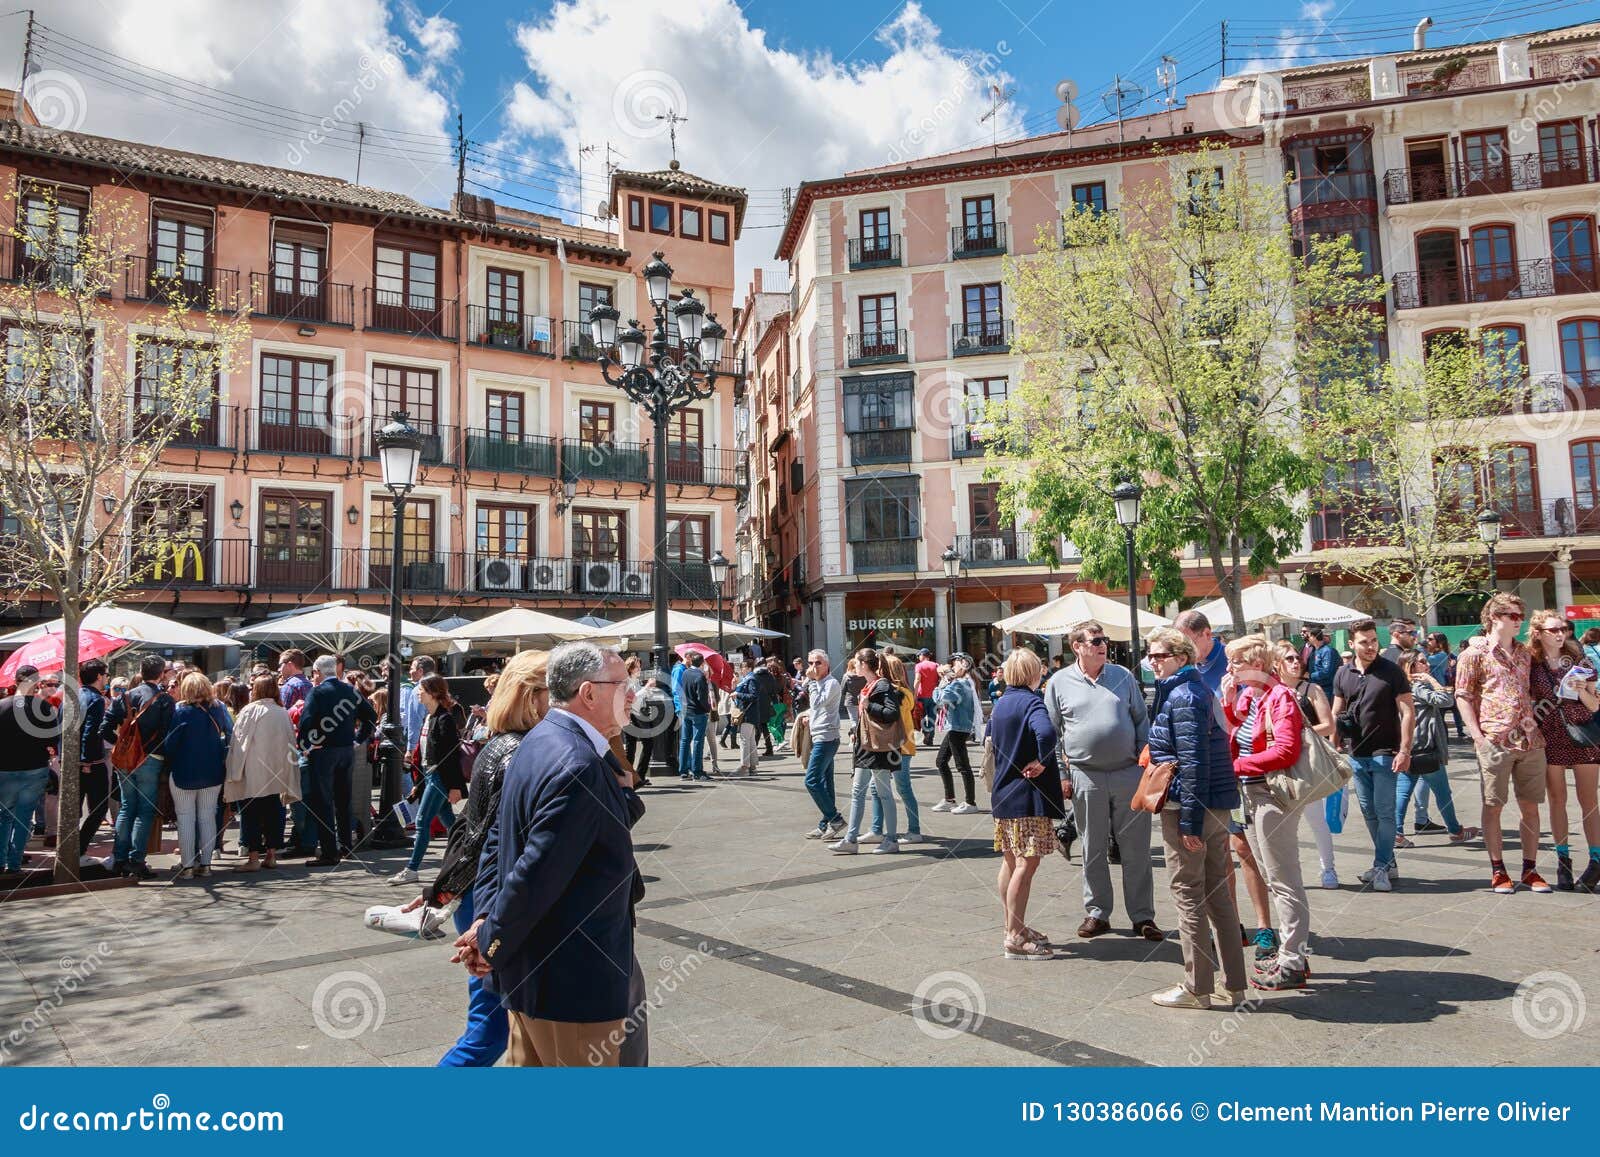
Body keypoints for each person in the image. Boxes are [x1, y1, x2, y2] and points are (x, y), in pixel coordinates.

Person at [453, 642, 642, 1067]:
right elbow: (535, 873)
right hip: (571, 982)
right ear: (589, 693)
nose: (633, 695)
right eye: (623, 685)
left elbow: (498, 844)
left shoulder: (538, 740)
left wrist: (485, 920)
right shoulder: (577, 763)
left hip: (533, 974)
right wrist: (490, 939)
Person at [396, 650, 550, 1067]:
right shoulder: (523, 753)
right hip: (493, 900)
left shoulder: (498, 746)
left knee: (502, 1026)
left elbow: (469, 828)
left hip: (480, 895)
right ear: (534, 697)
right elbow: (488, 836)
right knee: (489, 1032)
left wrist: (441, 888)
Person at [1144, 628, 1246, 1008]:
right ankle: (1234, 984)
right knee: (1218, 892)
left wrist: (1187, 822)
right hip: (1214, 802)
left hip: (1191, 805)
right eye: (1150, 656)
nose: (1152, 661)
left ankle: (1197, 987)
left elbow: (1193, 762)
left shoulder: (1184, 695)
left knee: (1188, 893)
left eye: (1159, 655)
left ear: (1182, 657)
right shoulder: (1194, 689)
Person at [1045, 621, 1160, 940]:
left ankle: (1142, 916)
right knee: (1092, 846)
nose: (1102, 645)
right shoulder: (1058, 682)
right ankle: (1097, 913)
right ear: (1077, 646)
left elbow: (1141, 721)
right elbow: (1052, 733)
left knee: (1136, 848)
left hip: (1128, 773)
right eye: (1095, 640)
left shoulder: (1123, 676)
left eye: (1104, 640)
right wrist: (1064, 774)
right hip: (1085, 774)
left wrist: (1143, 764)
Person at [1220, 636, 1311, 991]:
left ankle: (1292, 962)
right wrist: (1229, 703)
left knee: (1284, 881)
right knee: (1273, 878)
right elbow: (1238, 732)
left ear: (1256, 663)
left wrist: (1237, 766)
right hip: (1253, 794)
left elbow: (1286, 751)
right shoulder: (1251, 697)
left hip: (1274, 796)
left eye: (1235, 662)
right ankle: (1294, 954)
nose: (1229, 669)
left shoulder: (1280, 697)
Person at [1455, 594, 1549, 894]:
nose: (1518, 619)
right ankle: (1498, 870)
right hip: (1495, 739)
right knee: (1493, 805)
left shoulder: (1524, 653)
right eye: (1511, 614)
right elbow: (1463, 696)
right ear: (1494, 617)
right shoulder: (1475, 653)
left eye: (1520, 613)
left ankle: (1530, 869)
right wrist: (1478, 737)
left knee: (1530, 806)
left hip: (1530, 740)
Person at [987, 647, 1063, 960]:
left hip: (1003, 792)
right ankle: (1015, 936)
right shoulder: (1032, 701)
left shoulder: (1001, 703)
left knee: (1009, 861)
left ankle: (1012, 926)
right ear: (1035, 673)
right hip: (1027, 794)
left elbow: (990, 738)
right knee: (1026, 864)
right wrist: (1042, 761)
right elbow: (1047, 733)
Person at [1330, 618, 1415, 893]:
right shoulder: (1343, 673)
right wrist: (1333, 747)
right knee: (1368, 811)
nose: (1370, 646)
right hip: (1356, 752)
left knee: (1385, 811)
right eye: (1364, 642)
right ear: (1351, 644)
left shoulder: (1391, 671)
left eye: (1373, 641)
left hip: (1385, 752)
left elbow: (1408, 712)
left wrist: (1405, 749)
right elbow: (1336, 713)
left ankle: (1380, 866)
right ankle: (1388, 862)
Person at [1525, 610, 1600, 892]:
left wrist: (1581, 690)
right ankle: (1563, 861)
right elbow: (1529, 701)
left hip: (1583, 733)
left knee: (1588, 799)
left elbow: (1594, 706)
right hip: (1551, 736)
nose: (1560, 634)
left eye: (1564, 629)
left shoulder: (1581, 660)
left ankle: (1595, 860)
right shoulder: (1531, 663)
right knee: (1557, 799)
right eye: (1553, 630)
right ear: (1539, 633)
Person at [298, 654, 376, 866]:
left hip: (323, 752)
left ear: (318, 672)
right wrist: (358, 739)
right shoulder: (350, 690)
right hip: (346, 751)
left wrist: (306, 744)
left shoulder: (317, 692)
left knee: (323, 802)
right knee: (344, 800)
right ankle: (346, 846)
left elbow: (305, 722)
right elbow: (371, 716)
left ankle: (329, 852)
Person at [102, 654, 175, 880]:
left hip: (125, 760)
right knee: (144, 811)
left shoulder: (125, 697)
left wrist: (122, 746)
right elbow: (167, 734)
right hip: (151, 759)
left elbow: (104, 728)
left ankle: (119, 858)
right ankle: (136, 861)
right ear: (161, 673)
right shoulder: (164, 700)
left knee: (126, 807)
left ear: (141, 672)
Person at [1277, 641, 1341, 888]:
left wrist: (1297, 735)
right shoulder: (1271, 690)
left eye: (1297, 658)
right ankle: (1289, 873)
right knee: (1283, 825)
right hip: (1281, 764)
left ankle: (1329, 869)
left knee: (1316, 819)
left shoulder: (1311, 689)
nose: (1296, 662)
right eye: (1289, 659)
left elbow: (1328, 725)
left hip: (1307, 763)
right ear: (1277, 664)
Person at [390, 674, 464, 886]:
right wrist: (419, 784)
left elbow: (451, 757)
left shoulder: (444, 719)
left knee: (422, 822)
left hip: (438, 777)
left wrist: (454, 786)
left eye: (421, 689)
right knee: (450, 821)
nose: (418, 693)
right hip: (431, 775)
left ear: (433, 692)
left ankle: (412, 869)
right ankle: (466, 856)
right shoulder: (430, 718)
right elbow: (425, 756)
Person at [830, 648, 905, 854]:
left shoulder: (882, 686)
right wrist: (856, 731)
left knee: (884, 793)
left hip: (878, 748)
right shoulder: (871, 685)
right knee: (857, 791)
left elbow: (891, 713)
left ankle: (891, 839)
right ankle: (851, 839)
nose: (854, 666)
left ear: (864, 664)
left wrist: (869, 705)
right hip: (866, 746)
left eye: (856, 662)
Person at [1402, 651, 1479, 846]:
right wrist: (1431, 680)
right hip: (1426, 746)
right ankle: (1455, 831)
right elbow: (1446, 700)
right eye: (1421, 662)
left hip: (1411, 745)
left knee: (1403, 792)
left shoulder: (1404, 686)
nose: (1426, 664)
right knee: (1443, 792)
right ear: (1411, 667)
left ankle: (1396, 832)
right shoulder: (1418, 686)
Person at [224, 674, 299, 871]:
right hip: (276, 772)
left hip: (254, 773)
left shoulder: (249, 711)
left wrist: (234, 772)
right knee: (275, 813)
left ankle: (254, 858)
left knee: (251, 816)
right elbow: (291, 743)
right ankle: (272, 855)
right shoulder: (282, 712)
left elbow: (239, 743)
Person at [164, 672, 234, 880]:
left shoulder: (180, 711)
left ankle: (187, 867)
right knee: (207, 816)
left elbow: (169, 745)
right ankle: (206, 864)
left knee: (185, 818)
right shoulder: (219, 709)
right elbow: (230, 735)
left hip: (183, 771)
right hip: (212, 771)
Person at [0, 666, 60, 874]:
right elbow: (53, 740)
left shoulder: (2, 706)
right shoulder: (42, 708)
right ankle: (14, 863)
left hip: (5, 769)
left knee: (4, 815)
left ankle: (1, 861)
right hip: (34, 768)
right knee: (24, 817)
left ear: (16, 681)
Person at [800, 650, 845, 839]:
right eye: (810, 663)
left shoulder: (831, 683)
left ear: (827, 665)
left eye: (818, 663)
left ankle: (835, 818)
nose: (813, 667)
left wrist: (812, 682)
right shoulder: (820, 683)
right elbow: (816, 708)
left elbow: (818, 702)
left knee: (811, 780)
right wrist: (809, 716)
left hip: (827, 738)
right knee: (826, 783)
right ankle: (825, 824)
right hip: (819, 735)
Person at [932, 655, 980, 813]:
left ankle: (970, 803)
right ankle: (949, 799)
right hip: (957, 727)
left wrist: (940, 684)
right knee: (941, 761)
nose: (952, 668)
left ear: (964, 665)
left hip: (958, 728)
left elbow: (941, 700)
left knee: (962, 766)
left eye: (955, 665)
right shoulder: (965, 682)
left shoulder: (960, 684)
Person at [75, 659, 112, 865]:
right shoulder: (96, 699)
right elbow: (91, 732)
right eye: (106, 675)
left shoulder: (73, 696)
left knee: (75, 809)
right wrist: (87, 761)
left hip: (74, 761)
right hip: (91, 763)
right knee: (99, 808)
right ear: (99, 676)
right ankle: (79, 850)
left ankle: (73, 849)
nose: (107, 678)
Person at [731, 659, 771, 776]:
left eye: (742, 668)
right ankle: (752, 766)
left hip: (748, 714)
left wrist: (738, 694)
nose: (741, 670)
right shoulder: (748, 679)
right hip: (750, 714)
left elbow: (753, 696)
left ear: (748, 668)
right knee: (751, 740)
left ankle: (744, 766)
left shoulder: (751, 679)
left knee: (744, 740)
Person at [677, 652, 712, 782]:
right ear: (702, 663)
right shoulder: (700, 676)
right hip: (698, 711)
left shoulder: (685, 673)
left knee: (685, 740)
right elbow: (701, 698)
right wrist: (707, 708)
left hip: (686, 710)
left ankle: (683, 771)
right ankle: (697, 771)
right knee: (698, 741)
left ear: (691, 661)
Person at [1174, 609, 1228, 693]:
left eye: (1189, 644)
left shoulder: (1233, 660)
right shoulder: (1182, 666)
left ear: (1207, 634)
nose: (1184, 652)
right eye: (1179, 647)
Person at [1304, 625, 1340, 703]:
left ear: (1314, 637)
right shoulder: (1314, 652)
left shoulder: (1327, 651)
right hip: (1315, 688)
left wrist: (1310, 675)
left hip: (1327, 690)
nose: (1308, 639)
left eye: (1309, 636)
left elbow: (1327, 671)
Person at [914, 648, 940, 746]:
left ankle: (926, 733)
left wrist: (914, 695)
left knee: (922, 716)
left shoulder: (919, 666)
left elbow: (917, 680)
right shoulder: (936, 665)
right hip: (934, 696)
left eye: (919, 655)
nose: (918, 657)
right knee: (932, 717)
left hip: (922, 696)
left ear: (923, 655)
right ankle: (930, 736)